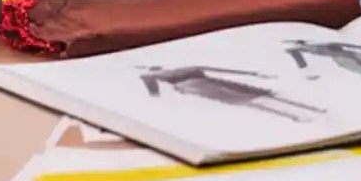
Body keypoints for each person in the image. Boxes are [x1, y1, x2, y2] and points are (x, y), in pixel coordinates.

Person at [139, 65, 324, 123]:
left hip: (203, 84)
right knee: (254, 100)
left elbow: (214, 69)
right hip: (200, 86)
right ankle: (298, 114)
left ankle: (302, 112)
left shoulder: (157, 74)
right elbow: (213, 69)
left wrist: (253, 73)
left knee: (257, 99)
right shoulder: (155, 75)